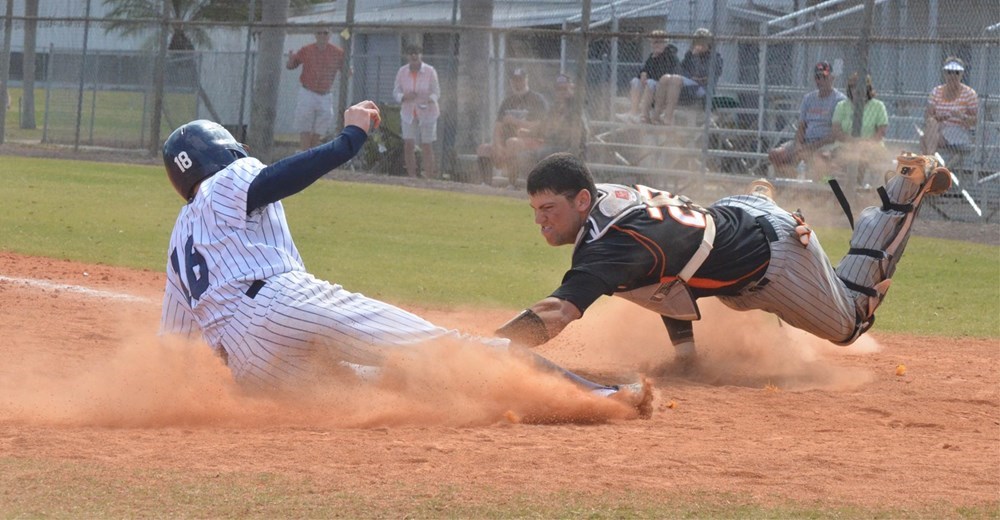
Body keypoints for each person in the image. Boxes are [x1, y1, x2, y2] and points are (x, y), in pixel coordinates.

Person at [158, 102, 649, 412]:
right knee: (441, 350)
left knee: (379, 386)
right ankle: (600, 397)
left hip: (252, 365)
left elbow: (172, 347)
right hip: (285, 303)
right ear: (222, 153)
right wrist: (351, 137)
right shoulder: (230, 180)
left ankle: (519, 403)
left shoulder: (181, 238)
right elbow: (278, 179)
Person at [495, 151, 951, 369]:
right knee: (704, 266)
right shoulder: (608, 198)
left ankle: (908, 186)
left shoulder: (613, 244)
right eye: (535, 212)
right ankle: (763, 198)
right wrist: (687, 356)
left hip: (778, 259)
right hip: (733, 217)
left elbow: (560, 311)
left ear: (579, 200)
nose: (541, 222)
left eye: (548, 211)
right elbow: (663, 279)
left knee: (850, 322)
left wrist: (491, 349)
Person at [503, 74, 585, 187]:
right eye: (558, 89)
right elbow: (543, 128)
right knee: (524, 156)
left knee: (542, 153)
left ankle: (547, 188)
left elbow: (581, 133)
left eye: (565, 88)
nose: (561, 92)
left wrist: (572, 144)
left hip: (569, 147)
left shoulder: (576, 108)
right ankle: (527, 186)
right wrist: (528, 133)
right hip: (551, 146)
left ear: (571, 88)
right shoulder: (554, 108)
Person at [768, 61, 847, 178]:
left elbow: (833, 135)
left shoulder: (839, 100)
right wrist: (799, 145)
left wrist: (809, 148)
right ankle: (788, 187)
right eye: (817, 77)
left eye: (824, 77)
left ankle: (817, 190)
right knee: (775, 154)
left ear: (832, 78)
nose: (820, 80)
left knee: (820, 157)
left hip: (825, 144)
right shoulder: (808, 98)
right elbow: (801, 127)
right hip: (805, 142)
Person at [476, 68, 548, 186]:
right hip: (509, 143)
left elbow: (540, 125)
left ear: (526, 80)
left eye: (520, 80)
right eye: (514, 80)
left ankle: (512, 185)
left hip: (533, 141)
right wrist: (497, 145)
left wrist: (516, 121)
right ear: (511, 82)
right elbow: (498, 126)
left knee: (512, 143)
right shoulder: (507, 101)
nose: (517, 83)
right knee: (483, 149)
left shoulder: (537, 100)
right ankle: (486, 185)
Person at [286, 28, 346, 150]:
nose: (322, 35)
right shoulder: (306, 50)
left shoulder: (337, 52)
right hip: (307, 93)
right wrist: (291, 60)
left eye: (325, 33)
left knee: (320, 127)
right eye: (319, 32)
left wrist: (349, 70)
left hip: (325, 95)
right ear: (315, 34)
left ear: (330, 35)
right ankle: (304, 155)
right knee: (305, 126)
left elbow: (346, 71)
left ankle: (310, 154)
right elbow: (291, 66)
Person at [655, 28, 723, 126]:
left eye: (703, 42)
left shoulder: (715, 58)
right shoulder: (689, 55)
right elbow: (680, 70)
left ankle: (667, 118)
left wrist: (695, 58)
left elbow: (704, 73)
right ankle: (656, 116)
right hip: (688, 87)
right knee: (665, 78)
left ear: (709, 44)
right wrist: (691, 76)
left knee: (676, 79)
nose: (699, 44)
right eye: (697, 41)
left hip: (703, 89)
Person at [831, 73, 889, 184]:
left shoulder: (878, 106)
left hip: (871, 146)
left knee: (861, 158)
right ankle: (828, 192)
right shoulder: (842, 106)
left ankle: (856, 191)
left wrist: (864, 144)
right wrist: (852, 141)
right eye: (853, 87)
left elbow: (881, 132)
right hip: (845, 145)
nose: (856, 90)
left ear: (867, 89)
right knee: (828, 158)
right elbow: (836, 130)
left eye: (860, 87)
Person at [393, 45, 441, 179]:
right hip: (408, 112)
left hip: (428, 113)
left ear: (421, 55)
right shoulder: (402, 71)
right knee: (409, 144)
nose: (414, 56)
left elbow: (436, 93)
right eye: (410, 54)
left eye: (416, 53)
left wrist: (428, 99)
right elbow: (396, 92)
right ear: (407, 56)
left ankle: (429, 177)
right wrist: (404, 97)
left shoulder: (430, 71)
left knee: (427, 144)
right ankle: (412, 176)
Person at [920, 57, 978, 163]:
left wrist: (961, 116)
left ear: (961, 74)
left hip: (959, 130)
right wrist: (939, 117)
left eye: (957, 72)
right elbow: (928, 116)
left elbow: (976, 120)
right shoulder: (936, 91)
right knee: (932, 123)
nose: (953, 76)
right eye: (949, 72)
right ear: (945, 73)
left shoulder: (969, 93)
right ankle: (933, 165)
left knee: (925, 139)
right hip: (939, 128)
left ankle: (929, 165)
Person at [615, 30, 678, 124]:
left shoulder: (670, 56)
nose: (654, 45)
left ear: (664, 42)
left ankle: (644, 116)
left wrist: (648, 76)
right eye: (652, 42)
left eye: (657, 42)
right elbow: (643, 71)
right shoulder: (652, 56)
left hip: (663, 90)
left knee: (651, 82)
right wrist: (643, 73)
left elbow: (664, 75)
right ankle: (633, 112)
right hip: (650, 88)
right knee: (635, 81)